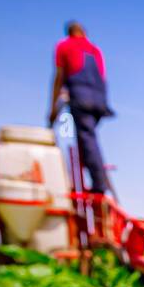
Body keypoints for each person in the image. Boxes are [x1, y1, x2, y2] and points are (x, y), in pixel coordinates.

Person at [49, 21, 115, 195]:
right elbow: (103, 77)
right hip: (100, 101)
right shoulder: (95, 50)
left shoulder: (64, 46)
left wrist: (53, 109)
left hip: (81, 98)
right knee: (88, 140)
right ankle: (94, 171)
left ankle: (99, 184)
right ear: (84, 33)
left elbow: (59, 77)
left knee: (86, 138)